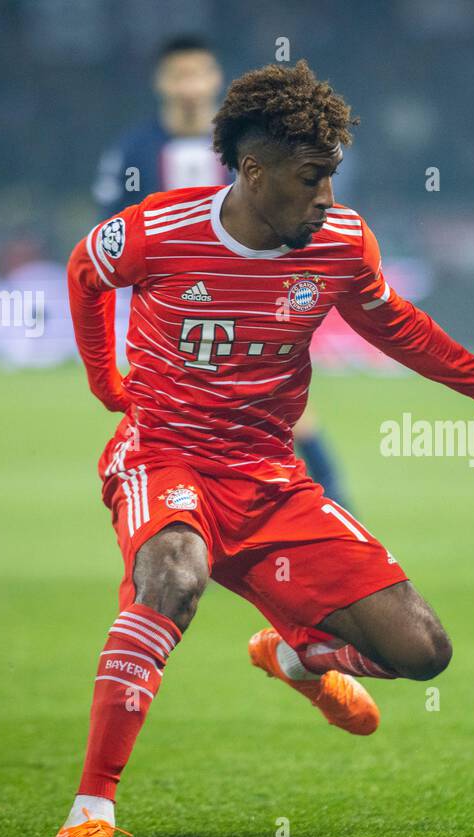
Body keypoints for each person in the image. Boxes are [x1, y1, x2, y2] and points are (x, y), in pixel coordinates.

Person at [52, 60, 474, 837]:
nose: (326, 196)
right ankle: (87, 815)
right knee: (173, 576)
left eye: (332, 177)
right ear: (253, 172)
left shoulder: (341, 244)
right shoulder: (158, 231)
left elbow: (398, 327)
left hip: (270, 478)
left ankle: (295, 655)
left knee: (423, 650)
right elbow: (85, 271)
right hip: (165, 454)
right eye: (311, 177)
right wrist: (106, 380)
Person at [94, 36, 352, 504]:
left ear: (215, 79)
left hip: (252, 303)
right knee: (174, 418)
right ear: (162, 83)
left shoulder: (250, 147)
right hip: (168, 316)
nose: (190, 86)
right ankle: (184, 519)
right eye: (179, 76)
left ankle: (333, 505)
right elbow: (112, 236)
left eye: (199, 74)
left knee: (287, 413)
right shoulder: (133, 151)